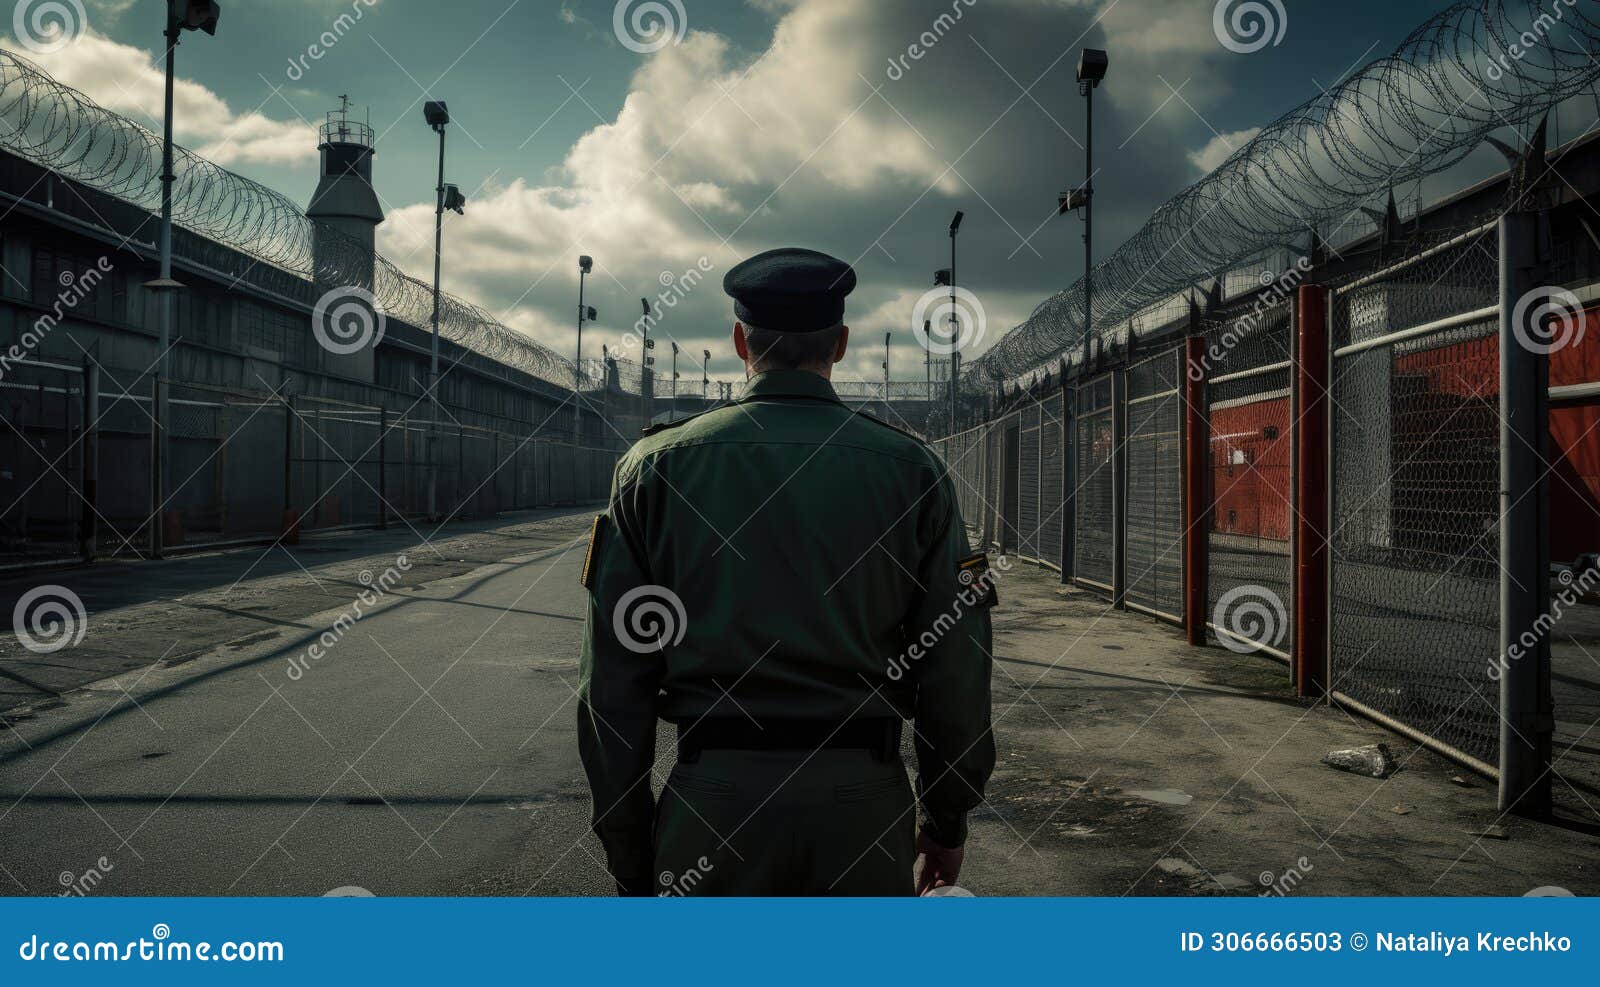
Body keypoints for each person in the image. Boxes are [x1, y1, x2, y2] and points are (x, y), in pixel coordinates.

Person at [577, 246, 995, 896]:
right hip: (863, 802)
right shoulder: (913, 471)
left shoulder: (655, 469)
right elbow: (957, 667)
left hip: (713, 802)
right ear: (843, 342)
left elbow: (612, 686)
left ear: (741, 341)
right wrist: (946, 819)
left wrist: (630, 845)